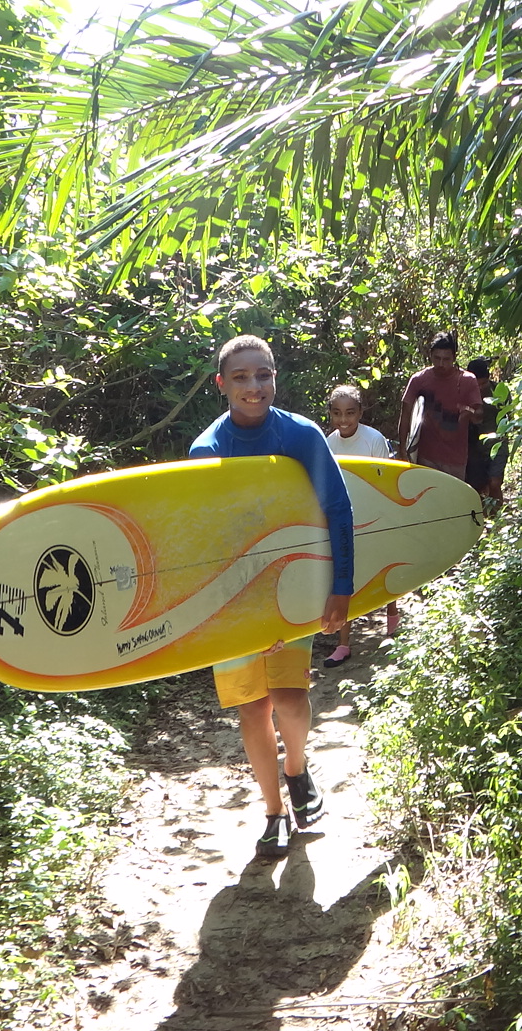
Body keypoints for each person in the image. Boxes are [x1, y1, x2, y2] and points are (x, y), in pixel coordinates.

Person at [190, 335, 353, 857]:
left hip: (291, 588)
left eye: (262, 374)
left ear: (274, 377)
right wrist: (223, 613)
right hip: (234, 600)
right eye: (240, 377)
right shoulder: (206, 450)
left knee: (291, 700)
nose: (253, 386)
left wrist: (341, 588)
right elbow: (206, 543)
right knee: (253, 709)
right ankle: (273, 811)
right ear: (222, 384)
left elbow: (338, 510)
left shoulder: (303, 435)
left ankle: (297, 770)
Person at [323, 385, 398, 666]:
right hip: (344, 519)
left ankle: (392, 622)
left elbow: (384, 479)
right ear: (330, 414)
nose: (344, 420)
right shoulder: (329, 443)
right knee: (345, 576)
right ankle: (343, 644)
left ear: (360, 413)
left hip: (375, 514)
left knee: (384, 565)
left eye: (350, 413)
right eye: (337, 413)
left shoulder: (374, 440)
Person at [394, 332, 482, 482]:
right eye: (437, 358)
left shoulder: (468, 380)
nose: (441, 364)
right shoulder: (419, 380)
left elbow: (479, 415)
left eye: (446, 359)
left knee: (452, 501)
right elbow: (406, 413)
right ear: (430, 356)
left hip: (455, 459)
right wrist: (403, 449)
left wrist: (470, 413)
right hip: (425, 457)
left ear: (454, 358)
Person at [464, 357, 507, 505]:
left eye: (483, 383)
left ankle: (498, 518)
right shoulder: (462, 393)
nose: (480, 388)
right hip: (473, 447)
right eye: (477, 384)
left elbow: (511, 417)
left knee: (495, 483)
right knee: (477, 487)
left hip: (497, 443)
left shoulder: (500, 392)